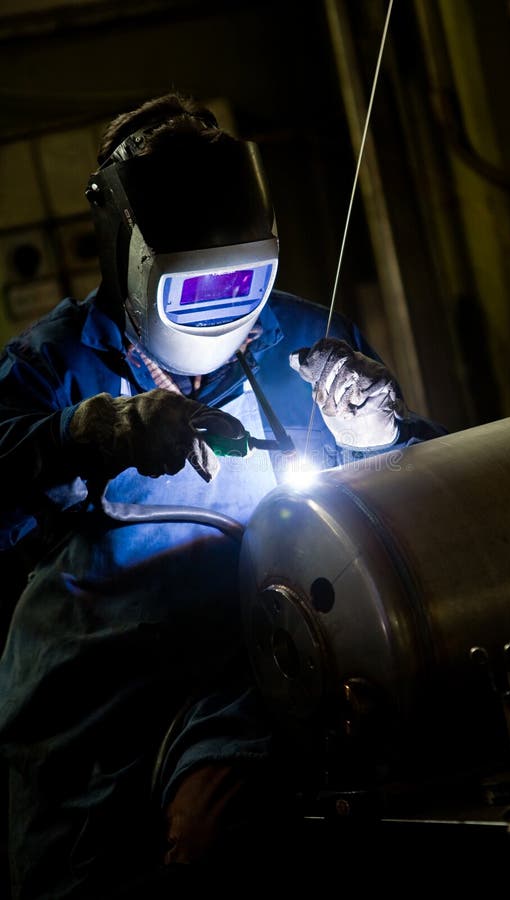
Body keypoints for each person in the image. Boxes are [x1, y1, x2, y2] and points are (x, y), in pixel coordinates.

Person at [0, 92, 446, 899]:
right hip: (92, 708)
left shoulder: (312, 341)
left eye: (246, 280)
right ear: (128, 256)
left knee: (229, 843)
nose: (228, 309)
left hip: (253, 681)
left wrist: (380, 438)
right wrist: (87, 434)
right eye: (196, 287)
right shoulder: (51, 368)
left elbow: (425, 513)